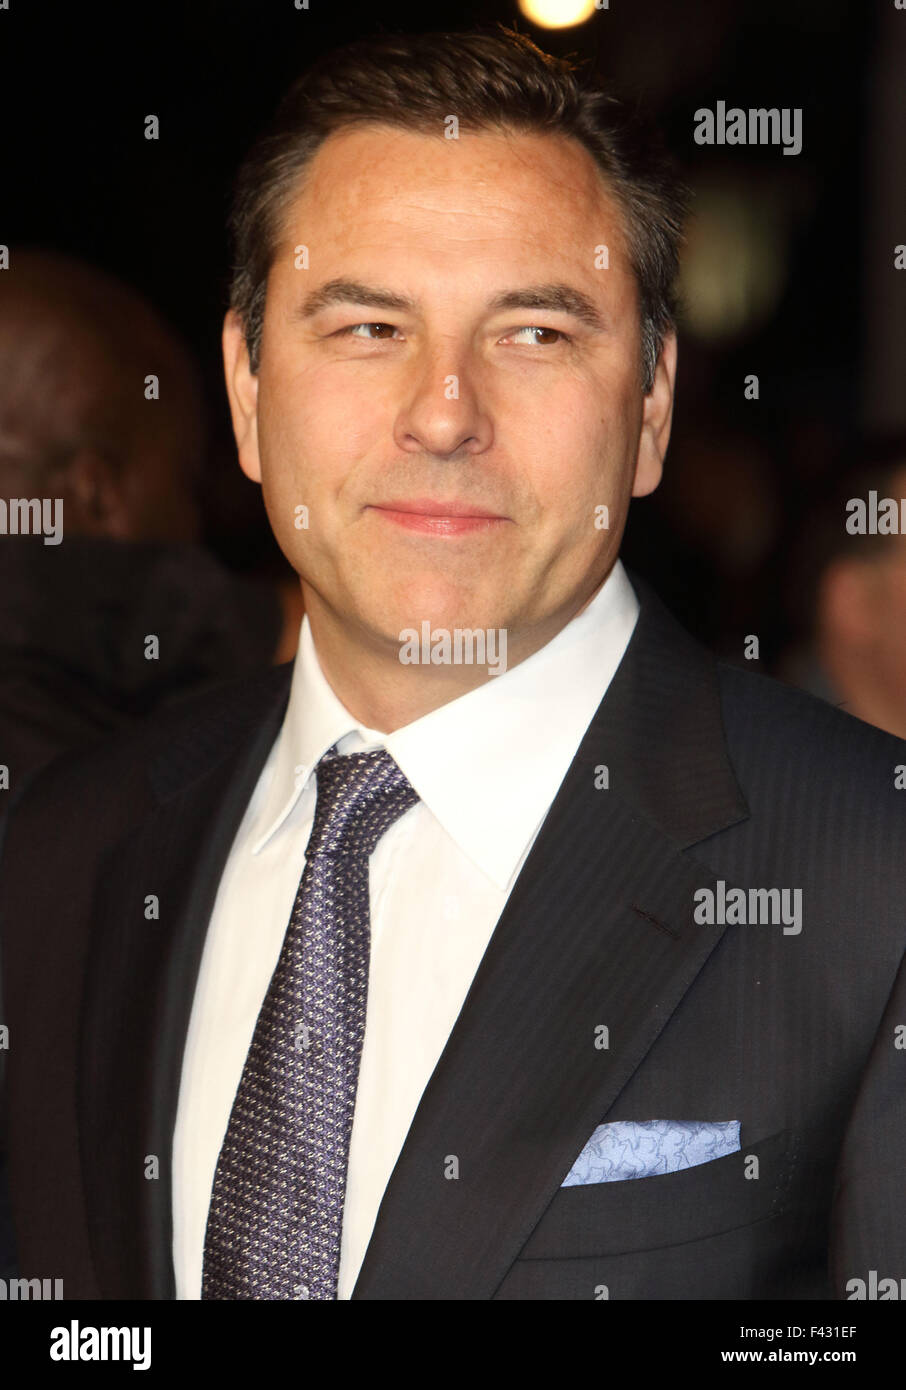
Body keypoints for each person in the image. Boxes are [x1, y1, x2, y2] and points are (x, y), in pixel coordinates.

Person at [1, 25, 904, 1302]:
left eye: (535, 333)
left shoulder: (874, 882)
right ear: (248, 391)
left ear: (650, 406)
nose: (442, 411)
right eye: (368, 326)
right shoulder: (60, 850)